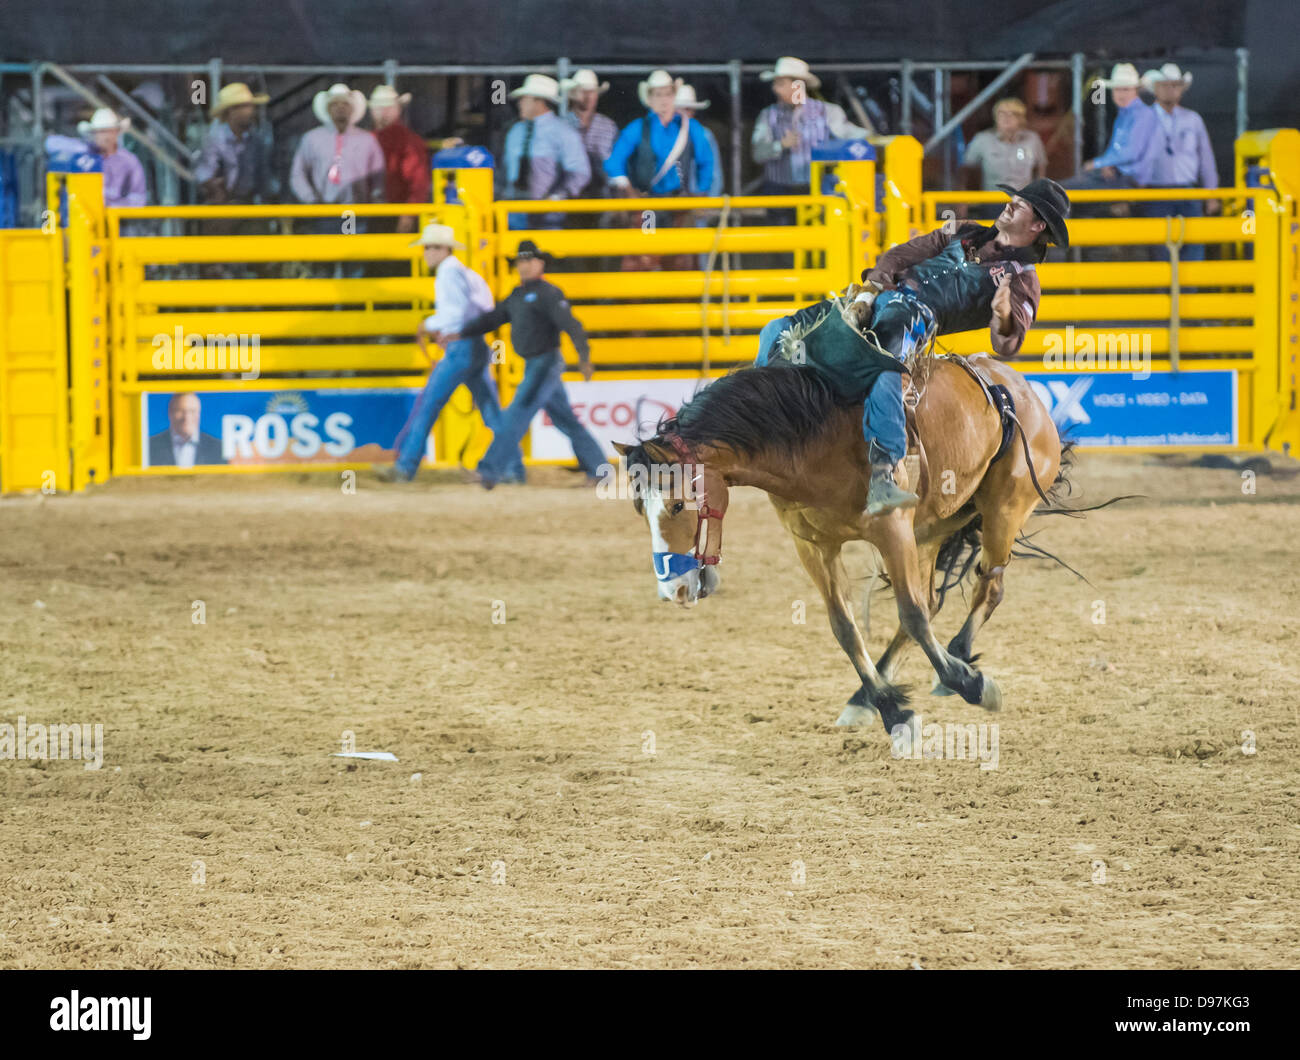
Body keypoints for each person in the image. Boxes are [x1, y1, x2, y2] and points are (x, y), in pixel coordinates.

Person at [756, 179, 1071, 516]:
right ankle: (765, 413)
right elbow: (902, 253)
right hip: (879, 296)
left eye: (1019, 204)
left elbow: (1008, 343)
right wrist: (870, 289)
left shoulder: (1023, 279)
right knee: (778, 330)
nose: (1009, 204)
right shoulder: (963, 230)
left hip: (917, 318)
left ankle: (885, 471)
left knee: (884, 362)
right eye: (1013, 198)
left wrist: (1003, 317)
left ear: (1037, 225)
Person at [438, 241, 603, 489]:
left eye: (528, 261)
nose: (524, 266)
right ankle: (600, 469)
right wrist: (461, 332)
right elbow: (493, 319)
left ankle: (490, 471)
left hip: (544, 364)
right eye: (520, 261)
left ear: (540, 263)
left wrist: (584, 356)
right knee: (565, 420)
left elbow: (571, 324)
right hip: (538, 365)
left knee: (515, 415)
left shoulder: (549, 293)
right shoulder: (517, 295)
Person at [375, 224, 524, 483]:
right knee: (490, 410)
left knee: (428, 406)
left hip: (460, 349)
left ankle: (404, 467)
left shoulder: (447, 275)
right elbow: (485, 307)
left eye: (432, 247)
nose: (427, 252)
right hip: (476, 344)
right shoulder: (468, 274)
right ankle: (513, 469)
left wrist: (429, 325)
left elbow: (453, 315)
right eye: (427, 247)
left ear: (444, 249)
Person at [750, 57, 871, 196]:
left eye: (781, 84)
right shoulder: (767, 115)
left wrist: (874, 139)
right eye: (775, 84)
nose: (775, 89)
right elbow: (757, 154)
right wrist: (781, 145)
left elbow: (852, 135)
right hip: (779, 190)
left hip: (816, 189)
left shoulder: (828, 112)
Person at [1138, 64, 1220, 262]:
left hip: (1187, 191)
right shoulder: (1143, 118)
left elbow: (1206, 159)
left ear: (1182, 89)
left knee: (1193, 249)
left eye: (1175, 85)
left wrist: (1211, 194)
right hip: (1156, 192)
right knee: (1159, 252)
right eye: (1165, 85)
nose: (1170, 89)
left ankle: (1188, 292)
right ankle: (1162, 292)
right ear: (1156, 89)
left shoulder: (1193, 120)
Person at [604, 70, 717, 200]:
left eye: (668, 94)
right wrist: (628, 191)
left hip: (680, 203)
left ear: (674, 96)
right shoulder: (637, 128)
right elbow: (613, 162)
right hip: (646, 201)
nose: (664, 100)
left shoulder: (690, 126)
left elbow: (706, 161)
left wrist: (701, 193)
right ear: (650, 99)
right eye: (658, 95)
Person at [1062, 63, 1157, 194]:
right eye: (1117, 89)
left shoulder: (1143, 114)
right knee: (1065, 189)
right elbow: (1117, 151)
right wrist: (1105, 164)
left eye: (1125, 89)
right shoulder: (1124, 115)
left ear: (1136, 90)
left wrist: (1098, 163)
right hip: (1118, 175)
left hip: (1131, 180)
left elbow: (1132, 152)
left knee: (1066, 191)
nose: (1120, 94)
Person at [289, 83, 385, 212]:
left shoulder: (367, 140)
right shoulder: (312, 139)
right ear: (328, 109)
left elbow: (379, 175)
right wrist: (310, 199)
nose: (340, 108)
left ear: (352, 108)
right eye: (335, 104)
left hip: (356, 210)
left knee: (352, 231)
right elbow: (297, 173)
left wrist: (375, 202)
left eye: (345, 104)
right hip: (322, 210)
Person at [503, 74, 590, 211]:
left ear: (539, 101)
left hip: (548, 213)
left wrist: (557, 197)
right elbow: (505, 170)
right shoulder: (515, 132)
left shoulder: (563, 133)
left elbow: (579, 172)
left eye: (524, 98)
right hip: (513, 211)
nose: (520, 103)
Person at [961, 98, 1047, 217]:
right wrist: (964, 200)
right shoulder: (982, 140)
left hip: (1024, 201)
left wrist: (1040, 199)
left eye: (1013, 114)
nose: (1006, 118)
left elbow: (1040, 171)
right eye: (1001, 114)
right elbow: (966, 172)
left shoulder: (1033, 140)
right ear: (995, 118)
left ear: (1021, 119)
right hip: (993, 201)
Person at [194, 82, 272, 207]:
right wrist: (214, 186)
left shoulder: (255, 140)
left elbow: (262, 175)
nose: (252, 111)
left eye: (251, 106)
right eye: (246, 107)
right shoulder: (216, 140)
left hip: (248, 204)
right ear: (232, 110)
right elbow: (204, 173)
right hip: (221, 207)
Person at [368, 84, 431, 235]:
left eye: (389, 107)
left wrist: (408, 213)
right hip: (369, 212)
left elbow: (419, 181)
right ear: (371, 111)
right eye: (379, 108)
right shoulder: (366, 140)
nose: (383, 112)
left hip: (396, 211)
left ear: (398, 110)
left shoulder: (408, 141)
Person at [561, 69, 619, 198]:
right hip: (568, 195)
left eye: (592, 91)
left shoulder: (609, 126)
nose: (588, 96)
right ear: (573, 94)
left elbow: (615, 165)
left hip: (602, 195)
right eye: (583, 91)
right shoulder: (561, 125)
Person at [77, 108, 147, 208]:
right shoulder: (83, 158)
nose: (106, 137)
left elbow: (138, 198)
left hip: (119, 219)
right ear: (94, 134)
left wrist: (113, 207)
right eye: (101, 132)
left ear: (116, 132)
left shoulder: (129, 161)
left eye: (109, 131)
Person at [148, 393, 225, 467]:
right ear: (170, 413)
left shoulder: (218, 448)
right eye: (180, 411)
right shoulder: (149, 446)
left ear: (199, 414)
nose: (186, 417)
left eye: (192, 411)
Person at [675, 84, 723, 195]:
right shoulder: (666, 134)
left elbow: (714, 173)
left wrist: (709, 205)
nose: (682, 113)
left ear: (693, 111)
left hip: (696, 199)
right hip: (669, 199)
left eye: (687, 109)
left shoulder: (705, 135)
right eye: (678, 108)